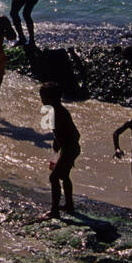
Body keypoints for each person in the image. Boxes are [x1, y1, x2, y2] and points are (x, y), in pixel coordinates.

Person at [41, 82, 79, 218]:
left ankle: (55, 211)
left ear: (51, 99)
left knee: (54, 177)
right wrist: (57, 142)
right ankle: (69, 204)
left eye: (43, 98)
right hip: (69, 148)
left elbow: (75, 134)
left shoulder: (58, 112)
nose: (42, 100)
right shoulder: (56, 111)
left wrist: (65, 148)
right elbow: (60, 131)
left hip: (69, 148)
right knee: (64, 176)